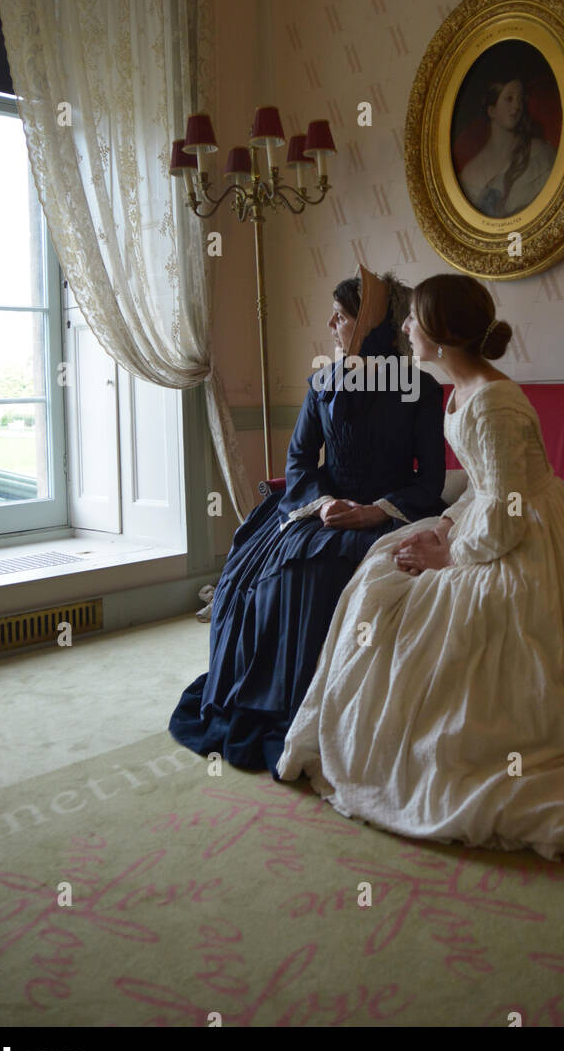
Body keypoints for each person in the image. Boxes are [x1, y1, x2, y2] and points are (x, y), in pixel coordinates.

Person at [277, 273, 564, 861]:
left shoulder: (493, 403)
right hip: (492, 521)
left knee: (416, 600)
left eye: (414, 320)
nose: (405, 327)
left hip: (523, 542)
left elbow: (508, 512)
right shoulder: (461, 392)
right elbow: (482, 490)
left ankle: (425, 752)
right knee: (384, 568)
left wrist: (449, 552)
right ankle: (362, 736)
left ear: (439, 330)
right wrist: (444, 526)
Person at [168, 265, 447, 774]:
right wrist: (321, 505)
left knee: (319, 573)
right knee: (256, 573)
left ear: (370, 326)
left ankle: (324, 712)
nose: (330, 324)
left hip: (388, 514)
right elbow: (299, 463)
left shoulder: (422, 391)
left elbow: (430, 481)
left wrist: (374, 511)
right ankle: (264, 699)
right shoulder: (323, 383)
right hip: (321, 506)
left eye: (340, 316)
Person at [458, 73, 556, 218]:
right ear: (492, 110)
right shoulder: (470, 173)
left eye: (520, 99)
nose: (517, 106)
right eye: (509, 99)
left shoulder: (538, 153)